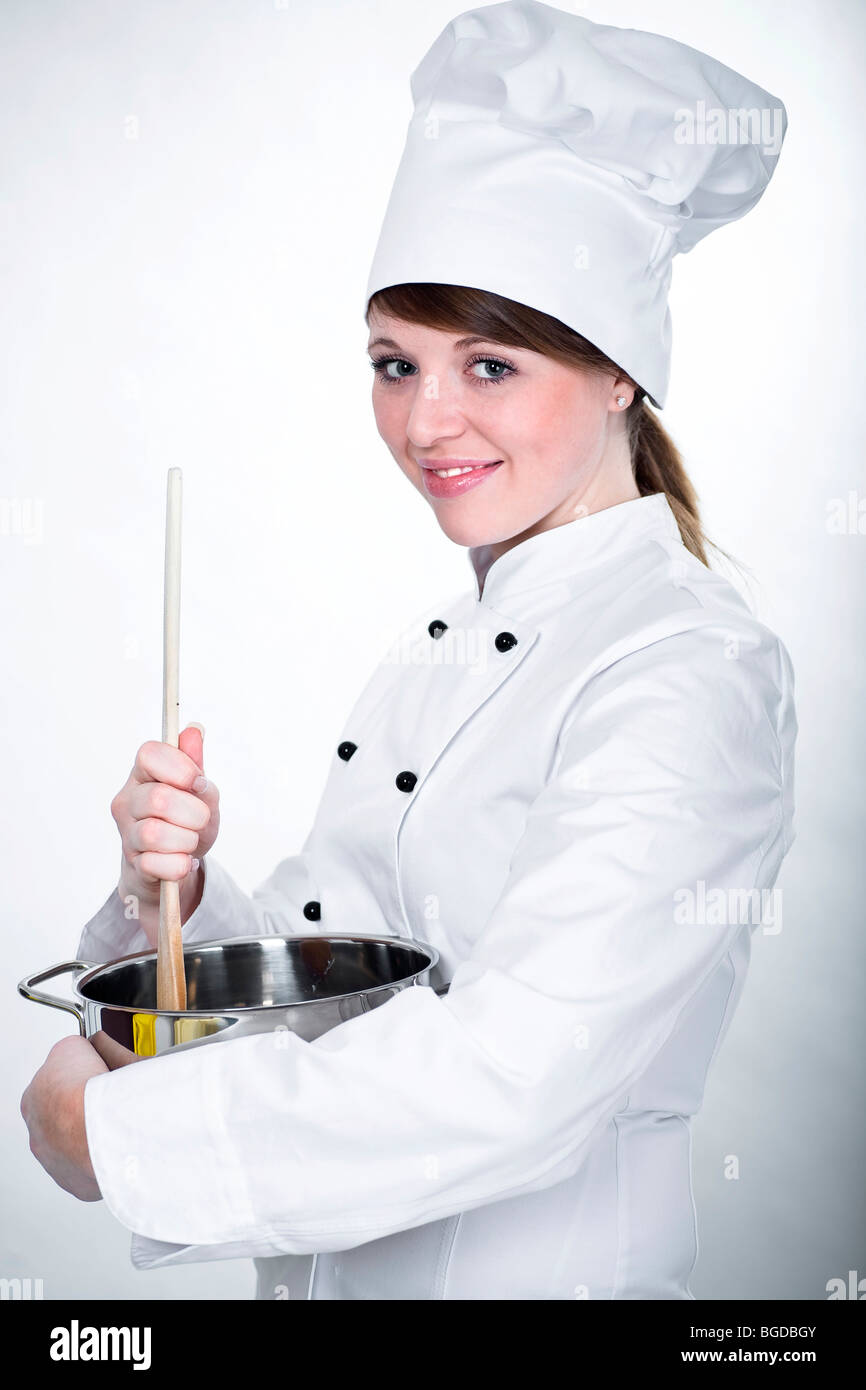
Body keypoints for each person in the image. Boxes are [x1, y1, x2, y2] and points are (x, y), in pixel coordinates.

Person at [21, 1, 796, 1300]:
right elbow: (356, 981)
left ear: (619, 375)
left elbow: (512, 1076)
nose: (424, 420)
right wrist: (186, 899)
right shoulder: (444, 647)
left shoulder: (685, 669)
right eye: (394, 362)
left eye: (488, 364)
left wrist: (102, 1133)